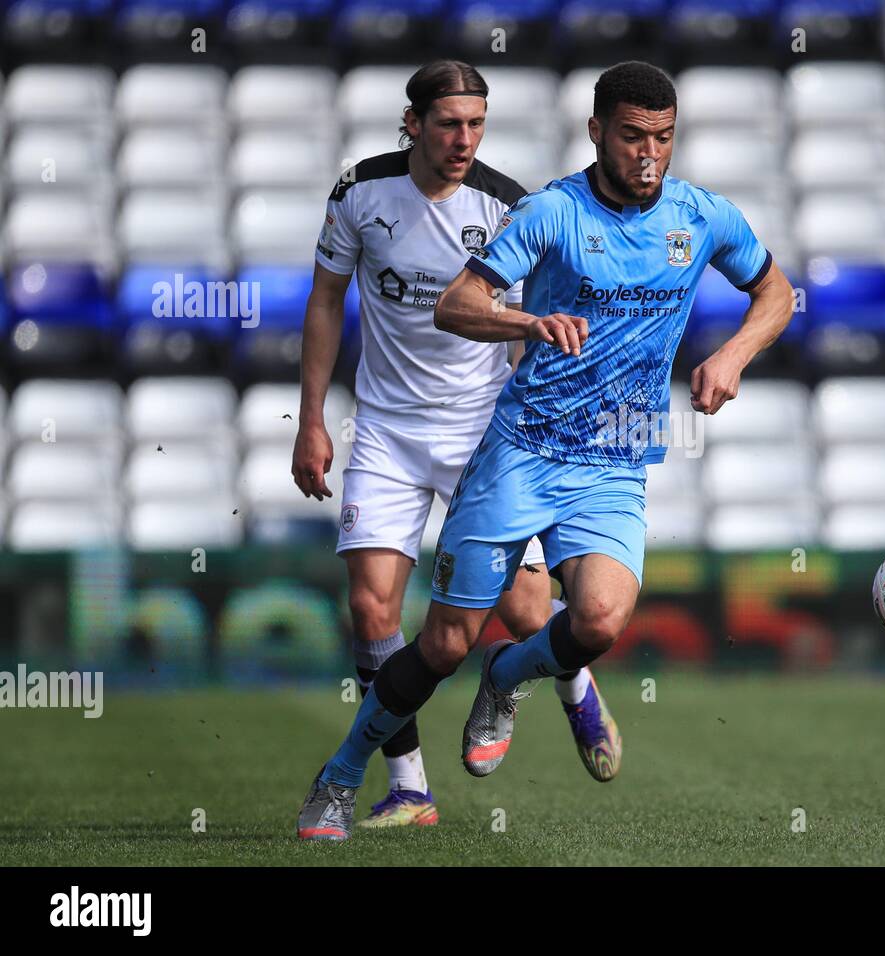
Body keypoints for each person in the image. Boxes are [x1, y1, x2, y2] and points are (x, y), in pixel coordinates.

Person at [297, 60, 795, 840]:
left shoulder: (703, 218)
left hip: (616, 462)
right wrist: (529, 324)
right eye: (632, 136)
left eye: (663, 138)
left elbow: (777, 293)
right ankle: (342, 774)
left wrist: (731, 357)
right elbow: (459, 304)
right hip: (520, 451)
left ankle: (510, 674)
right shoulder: (548, 213)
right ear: (597, 131)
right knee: (442, 642)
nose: (648, 155)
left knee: (595, 622)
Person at [292, 60, 604, 836]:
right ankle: (407, 788)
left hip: (481, 431)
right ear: (413, 123)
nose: (464, 139)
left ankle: (571, 684)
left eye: (476, 125)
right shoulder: (359, 193)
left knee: (532, 610)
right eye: (449, 124)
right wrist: (311, 419)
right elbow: (326, 301)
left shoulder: (506, 205)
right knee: (371, 609)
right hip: (388, 433)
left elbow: (543, 328)